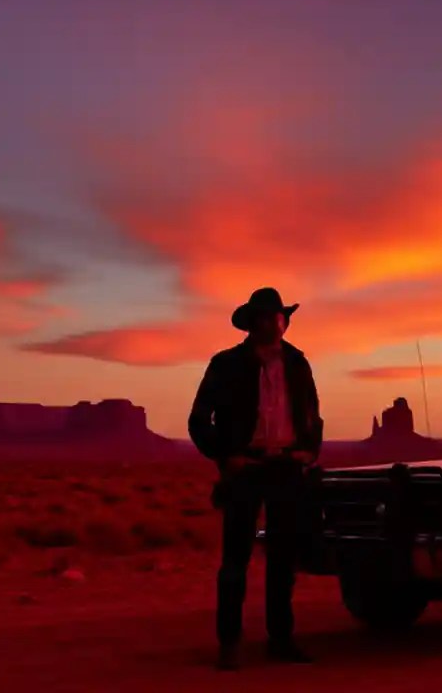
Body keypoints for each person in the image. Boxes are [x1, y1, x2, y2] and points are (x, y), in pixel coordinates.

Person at [189, 287, 324, 670]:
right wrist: (225, 457)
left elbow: (313, 413)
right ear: (253, 322)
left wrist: (309, 450)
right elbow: (199, 419)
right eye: (267, 316)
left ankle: (281, 639)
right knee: (236, 560)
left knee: (282, 561)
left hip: (286, 468)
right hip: (245, 469)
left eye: (279, 316)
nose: (275, 322)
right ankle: (229, 642)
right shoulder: (227, 364)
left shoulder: (297, 364)